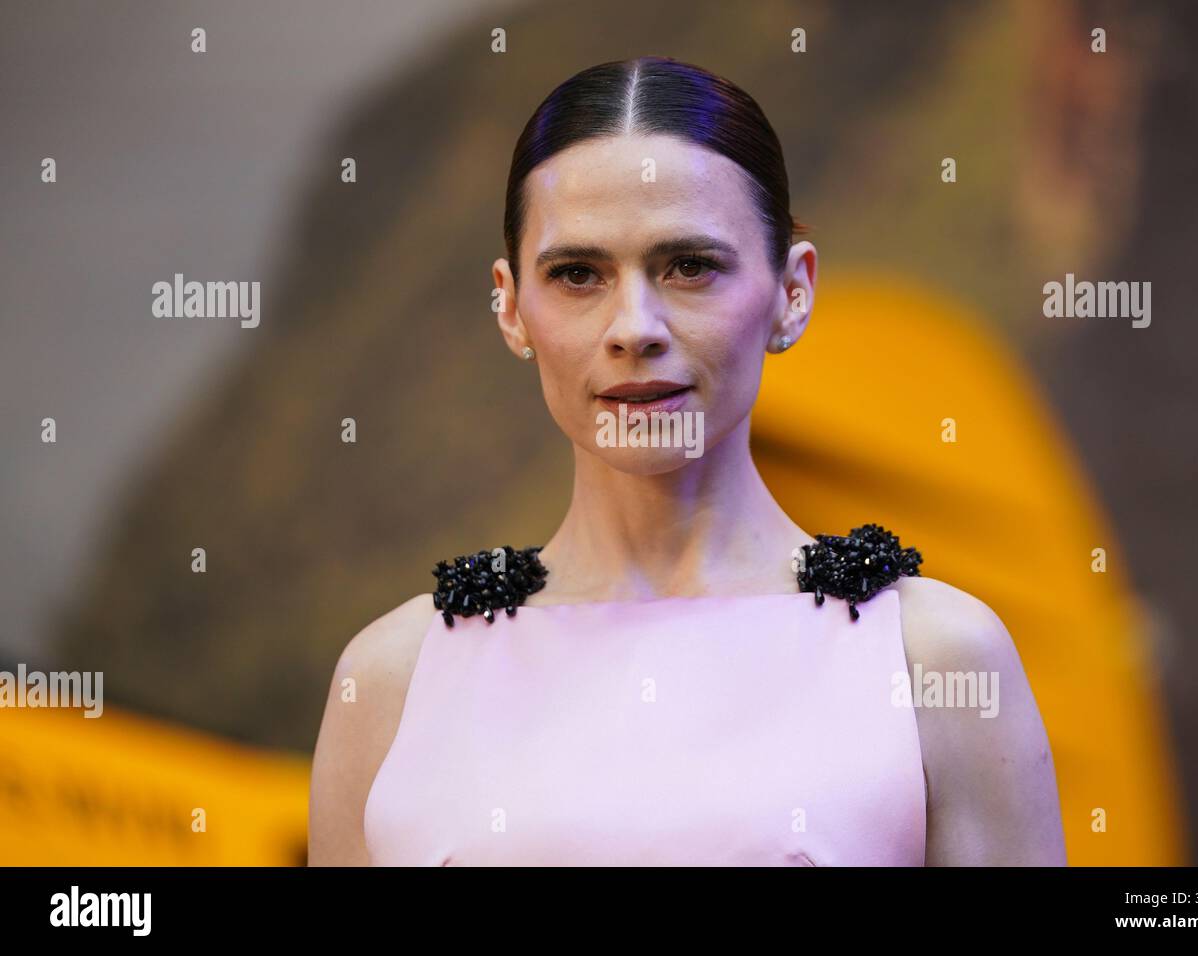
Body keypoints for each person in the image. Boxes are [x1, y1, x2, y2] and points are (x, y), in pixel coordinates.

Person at [308, 56, 1066, 866]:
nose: (635, 326)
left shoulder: (934, 659)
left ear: (792, 291)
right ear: (510, 304)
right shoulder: (393, 680)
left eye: (690, 266)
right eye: (576, 274)